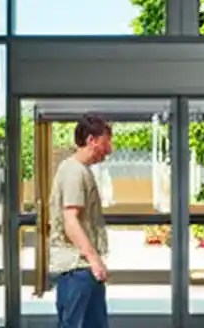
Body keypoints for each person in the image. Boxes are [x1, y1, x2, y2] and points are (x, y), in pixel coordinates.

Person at [49, 114, 114, 328]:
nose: (109, 149)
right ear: (91, 140)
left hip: (83, 268)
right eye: (106, 142)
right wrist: (95, 261)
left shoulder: (80, 171)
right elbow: (71, 221)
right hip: (77, 268)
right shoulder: (74, 172)